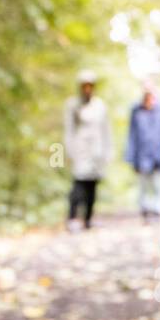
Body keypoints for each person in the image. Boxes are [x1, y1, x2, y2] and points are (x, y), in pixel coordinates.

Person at [62, 69, 111, 230]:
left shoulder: (100, 105)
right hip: (80, 150)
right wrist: (69, 151)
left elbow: (105, 130)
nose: (87, 89)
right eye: (85, 86)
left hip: (96, 151)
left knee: (92, 186)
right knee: (78, 184)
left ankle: (88, 219)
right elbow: (69, 130)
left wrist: (107, 151)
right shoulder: (73, 105)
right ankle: (72, 218)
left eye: (90, 86)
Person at [124, 80, 160, 221]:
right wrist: (131, 156)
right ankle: (145, 211)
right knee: (143, 185)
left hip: (159, 153)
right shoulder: (136, 110)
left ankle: (158, 211)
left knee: (158, 184)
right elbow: (132, 134)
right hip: (142, 154)